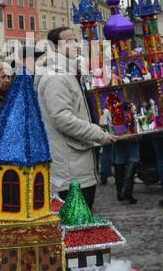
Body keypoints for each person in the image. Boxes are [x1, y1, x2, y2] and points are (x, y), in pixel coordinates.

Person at [35, 25, 112, 207]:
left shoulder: (69, 72)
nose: (75, 45)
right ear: (55, 47)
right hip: (70, 166)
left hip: (77, 160)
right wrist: (98, 134)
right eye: (68, 41)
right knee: (76, 219)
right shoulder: (56, 77)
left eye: (75, 40)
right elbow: (63, 119)